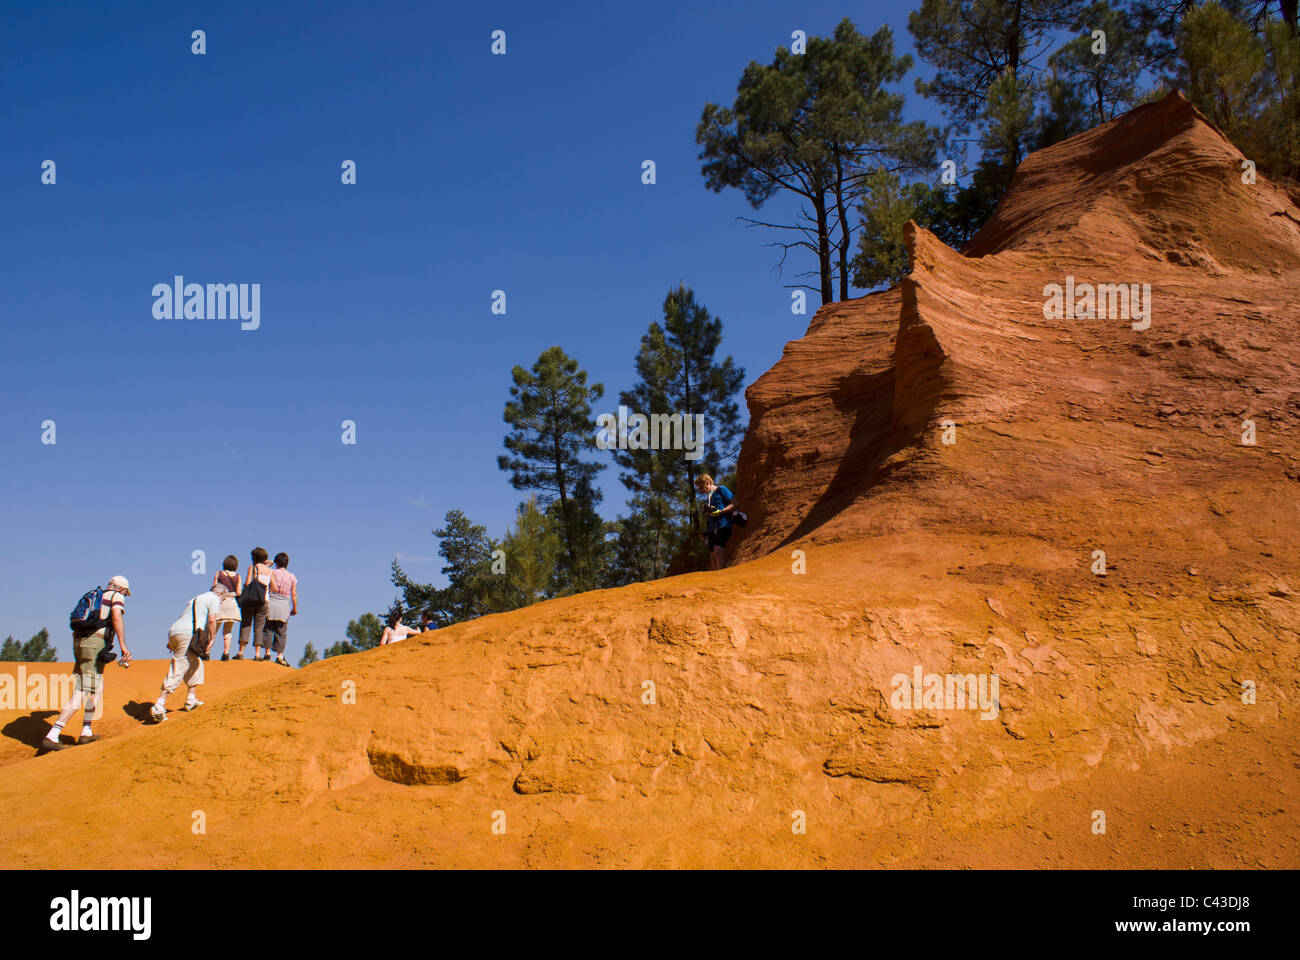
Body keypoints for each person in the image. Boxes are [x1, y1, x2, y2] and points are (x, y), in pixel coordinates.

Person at [39, 575, 135, 753]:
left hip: (81, 643)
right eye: (125, 593)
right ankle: (53, 733)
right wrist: (123, 646)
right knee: (83, 689)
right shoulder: (116, 596)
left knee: (96, 687)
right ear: (121, 589)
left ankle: (86, 730)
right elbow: (116, 618)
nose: (125, 596)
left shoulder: (94, 596)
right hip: (95, 644)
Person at [149, 583, 225, 722]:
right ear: (220, 594)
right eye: (223, 599)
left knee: (195, 663)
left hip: (176, 631)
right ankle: (159, 704)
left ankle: (191, 698)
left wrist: (172, 642)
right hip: (188, 634)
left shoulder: (196, 598)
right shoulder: (214, 598)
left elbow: (184, 616)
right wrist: (212, 637)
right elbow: (212, 619)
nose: (221, 602)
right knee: (180, 666)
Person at [695, 473, 736, 571]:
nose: (701, 491)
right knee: (713, 555)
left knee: (717, 552)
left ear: (707, 483)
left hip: (724, 524)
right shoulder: (708, 498)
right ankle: (717, 580)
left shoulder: (721, 489)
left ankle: (724, 579)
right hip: (712, 529)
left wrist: (721, 511)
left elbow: (734, 503)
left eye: (701, 488)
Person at [263, 552, 298, 667]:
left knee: (268, 628)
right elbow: (293, 594)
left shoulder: (272, 572)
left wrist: (269, 564)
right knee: (281, 631)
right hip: (284, 604)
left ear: (276, 563)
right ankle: (279, 655)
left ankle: (267, 653)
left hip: (271, 602)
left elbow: (262, 571)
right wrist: (295, 608)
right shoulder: (292, 577)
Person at [238, 547, 273, 661]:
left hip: (251, 599)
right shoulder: (269, 570)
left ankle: (241, 651)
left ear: (254, 558)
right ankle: (257, 654)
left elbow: (248, 583)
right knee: (259, 627)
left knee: (246, 624)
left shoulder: (253, 568)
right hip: (264, 600)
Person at [212, 555, 242, 660]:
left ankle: (206, 652)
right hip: (232, 604)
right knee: (228, 630)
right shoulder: (238, 576)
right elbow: (239, 592)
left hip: (220, 604)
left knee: (213, 630)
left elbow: (213, 589)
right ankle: (226, 653)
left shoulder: (219, 574)